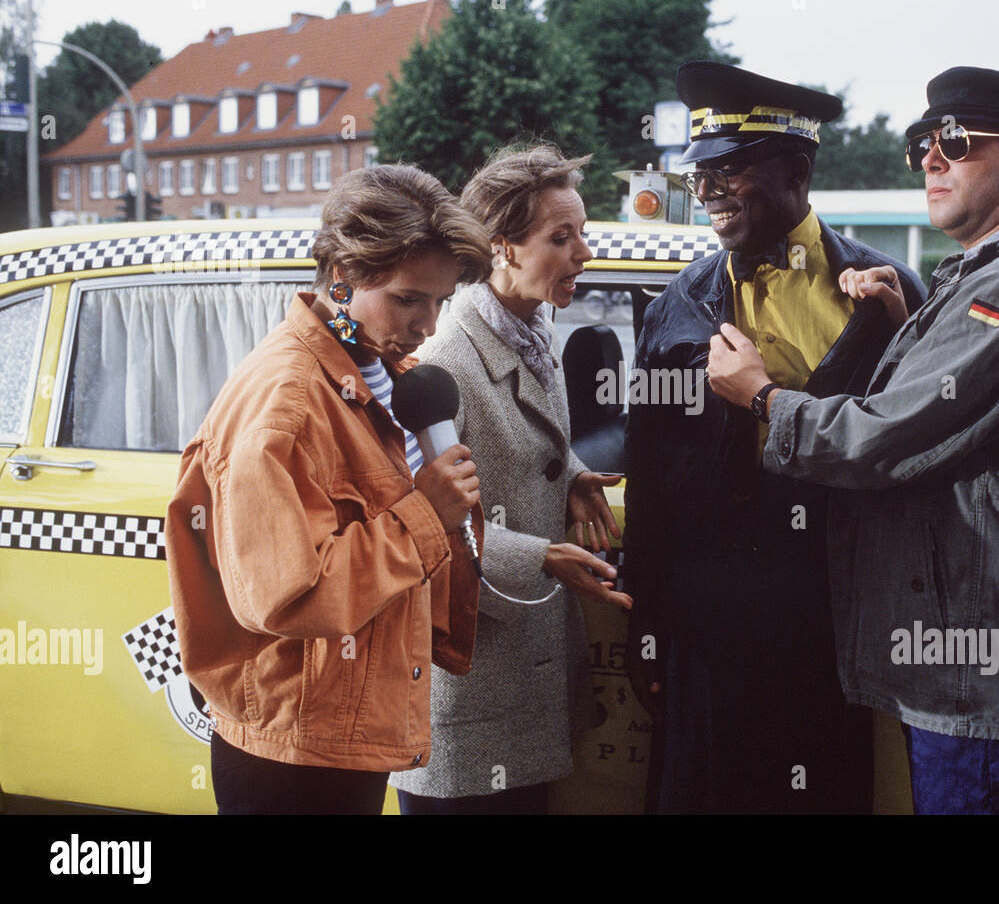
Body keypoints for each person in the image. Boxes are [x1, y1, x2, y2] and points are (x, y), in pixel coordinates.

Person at [706, 66, 999, 815]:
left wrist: (763, 396)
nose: (930, 160)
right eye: (922, 143)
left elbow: (885, 439)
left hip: (990, 683)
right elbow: (971, 413)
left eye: (956, 141)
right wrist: (907, 323)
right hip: (998, 665)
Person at [622, 61, 925, 814]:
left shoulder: (890, 292)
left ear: (797, 171)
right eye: (701, 175)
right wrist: (646, 624)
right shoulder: (676, 304)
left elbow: (923, 450)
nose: (709, 192)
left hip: (833, 617)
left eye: (729, 171)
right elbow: (651, 479)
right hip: (707, 627)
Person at [165, 164, 492, 815]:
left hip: (342, 728)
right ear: (342, 275)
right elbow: (289, 595)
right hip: (292, 748)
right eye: (408, 299)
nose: (428, 324)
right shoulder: (285, 401)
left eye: (440, 301)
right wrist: (424, 515)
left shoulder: (380, 369)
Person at [389, 143, 633, 815]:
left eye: (583, 233)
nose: (584, 253)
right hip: (471, 686)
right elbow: (416, 530)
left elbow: (525, 445)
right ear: (502, 248)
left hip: (519, 680)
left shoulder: (529, 329)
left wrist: (572, 474)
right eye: (561, 238)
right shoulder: (445, 360)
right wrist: (542, 557)